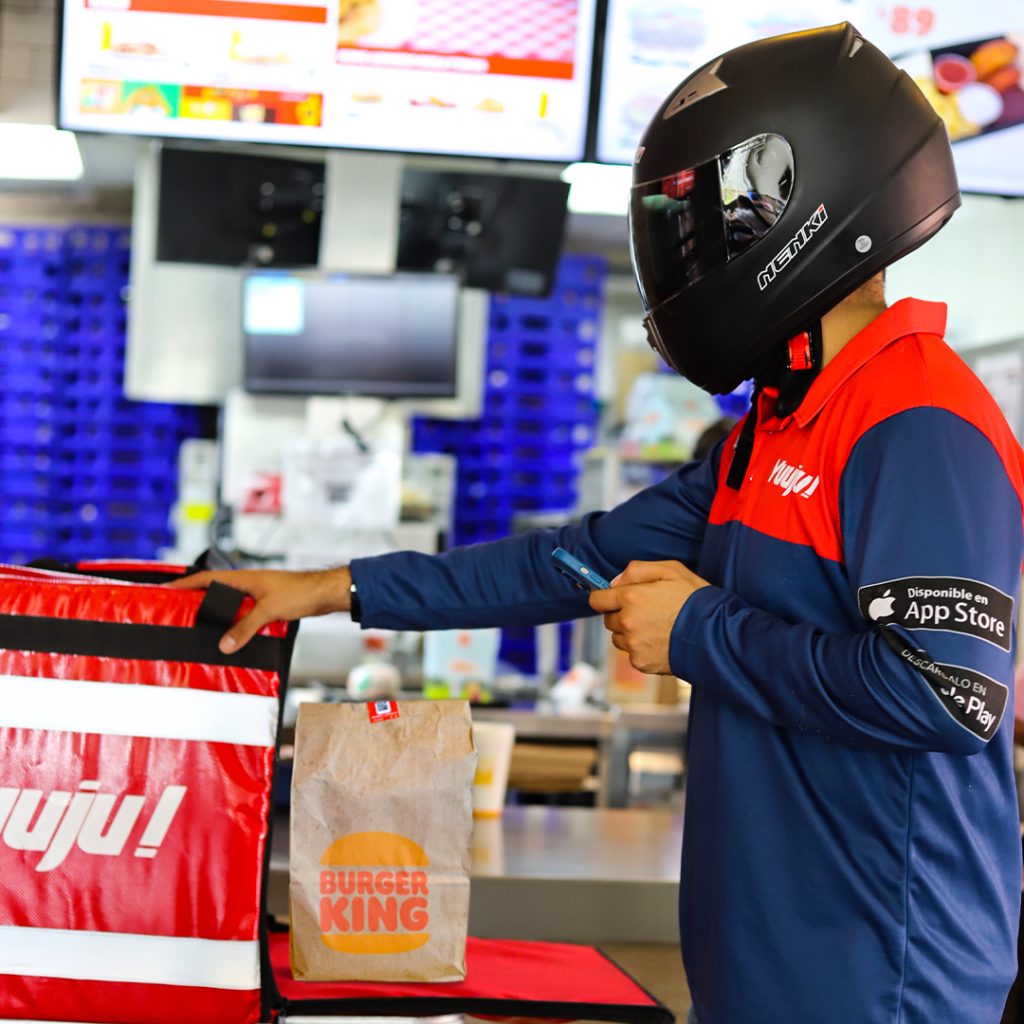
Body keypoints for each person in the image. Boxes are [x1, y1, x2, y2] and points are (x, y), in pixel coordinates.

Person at [175, 24, 1024, 1023]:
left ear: (814, 208)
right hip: (769, 970)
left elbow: (945, 695)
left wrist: (699, 631)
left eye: (722, 217)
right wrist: (328, 588)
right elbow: (572, 559)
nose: (698, 246)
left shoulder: (916, 416)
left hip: (884, 979)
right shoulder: (773, 428)